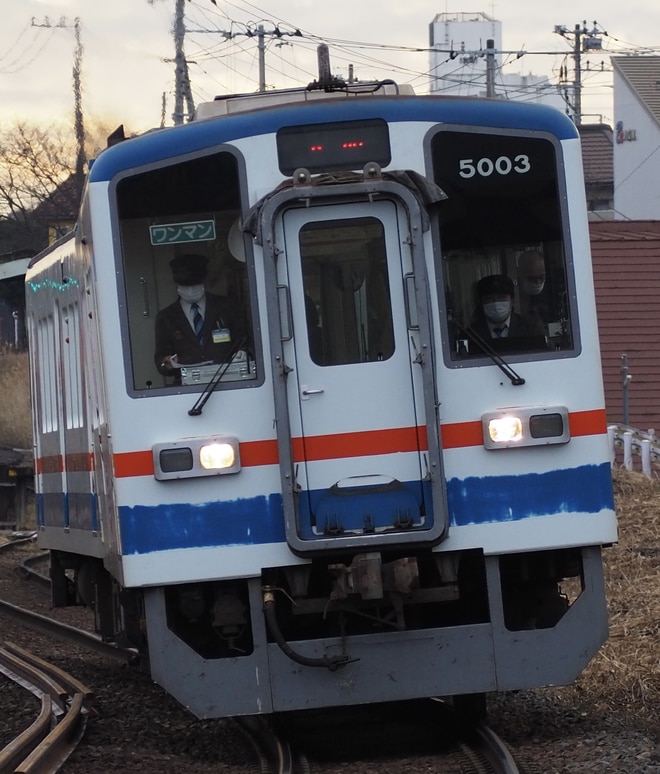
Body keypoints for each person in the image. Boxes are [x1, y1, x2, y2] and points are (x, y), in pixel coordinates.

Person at [154, 253, 248, 383]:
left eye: (195, 285)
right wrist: (167, 363)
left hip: (227, 380)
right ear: (176, 285)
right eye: (185, 286)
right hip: (186, 385)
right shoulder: (166, 317)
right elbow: (160, 359)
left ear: (204, 282)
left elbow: (245, 341)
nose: (190, 290)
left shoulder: (226, 307)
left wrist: (243, 353)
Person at [467, 274, 531, 345]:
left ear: (512, 300)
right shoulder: (471, 333)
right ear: (481, 302)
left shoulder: (529, 328)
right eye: (489, 299)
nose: (495, 303)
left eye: (501, 297)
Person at [517, 250, 551, 335]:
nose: (538, 282)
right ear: (520, 274)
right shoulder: (515, 296)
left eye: (541, 277)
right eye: (531, 278)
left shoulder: (552, 293)